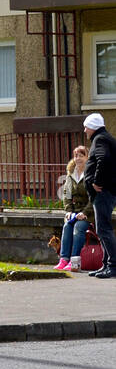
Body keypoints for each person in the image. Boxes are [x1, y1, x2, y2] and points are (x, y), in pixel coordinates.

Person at [82, 112, 116, 278]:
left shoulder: (100, 139)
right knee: (102, 229)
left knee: (104, 229)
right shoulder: (104, 137)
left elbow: (104, 160)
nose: (85, 131)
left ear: (92, 126)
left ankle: (113, 265)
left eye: (86, 127)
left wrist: (97, 181)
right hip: (105, 192)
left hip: (103, 192)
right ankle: (105, 265)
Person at [57, 146, 92, 272]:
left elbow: (94, 198)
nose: (78, 158)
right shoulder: (70, 174)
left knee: (78, 227)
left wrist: (84, 213)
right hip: (75, 212)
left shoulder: (91, 173)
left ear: (87, 158)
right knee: (67, 226)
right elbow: (66, 195)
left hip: (89, 212)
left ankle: (74, 261)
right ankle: (64, 259)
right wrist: (69, 211)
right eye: (76, 156)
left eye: (81, 156)